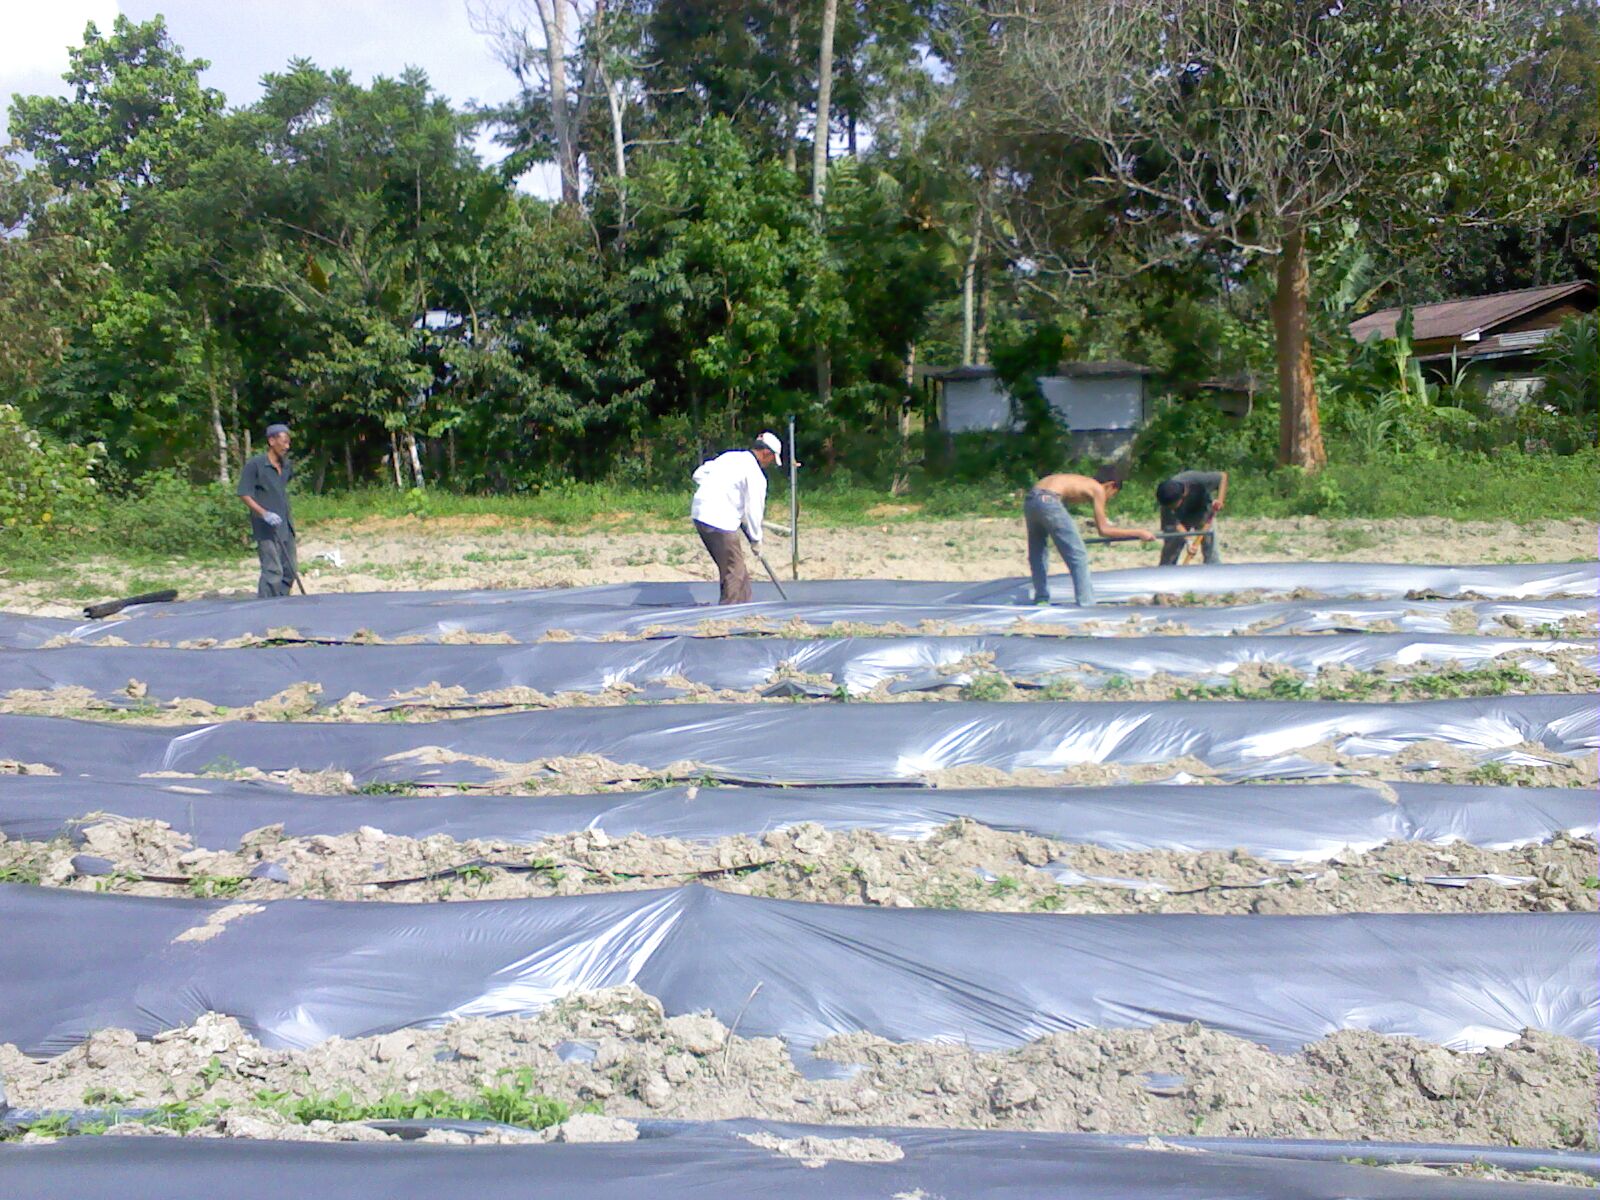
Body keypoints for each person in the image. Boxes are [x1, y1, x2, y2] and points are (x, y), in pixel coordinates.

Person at [1024, 467, 1155, 606]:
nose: (1108, 498)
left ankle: (1041, 598)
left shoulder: (1080, 481)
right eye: (1112, 494)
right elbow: (1104, 530)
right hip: (1049, 501)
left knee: (1038, 551)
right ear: (1110, 485)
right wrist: (1139, 533)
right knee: (1078, 555)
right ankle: (1086, 603)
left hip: (1031, 499)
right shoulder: (1098, 488)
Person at [691, 432, 783, 605]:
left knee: (736, 567)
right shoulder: (755, 475)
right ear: (766, 453)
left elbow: (699, 475)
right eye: (771, 459)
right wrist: (756, 540)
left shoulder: (730, 457)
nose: (769, 464)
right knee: (735, 571)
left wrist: (721, 491)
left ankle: (745, 607)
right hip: (718, 520)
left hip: (700, 514)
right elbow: (754, 510)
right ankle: (729, 615)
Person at [237, 423, 299, 598]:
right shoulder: (255, 465)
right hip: (266, 527)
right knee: (273, 572)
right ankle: (266, 608)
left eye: (288, 443)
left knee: (290, 570)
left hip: (285, 525)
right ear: (272, 441)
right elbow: (244, 494)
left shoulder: (286, 466)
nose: (287, 447)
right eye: (284, 442)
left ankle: (281, 604)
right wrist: (264, 513)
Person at [1154, 469, 1228, 566]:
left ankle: (1213, 569)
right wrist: (1189, 541)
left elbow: (1222, 476)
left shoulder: (1196, 479)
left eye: (1172, 505)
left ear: (1182, 496)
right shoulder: (1166, 499)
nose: (1169, 508)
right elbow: (1176, 524)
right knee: (1171, 547)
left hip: (1202, 510)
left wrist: (1220, 500)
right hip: (1180, 517)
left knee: (1209, 544)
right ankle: (1166, 572)